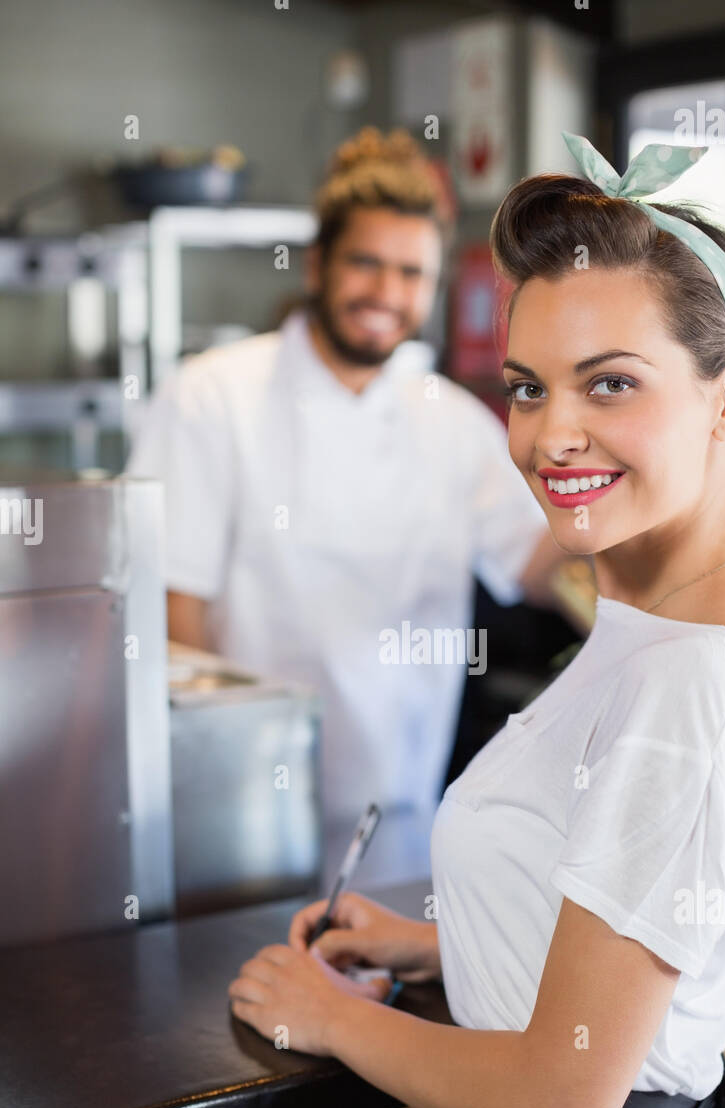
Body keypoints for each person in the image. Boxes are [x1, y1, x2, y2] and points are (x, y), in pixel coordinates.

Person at [227, 134, 725, 1108]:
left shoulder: (691, 679)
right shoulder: (648, 629)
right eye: (528, 387)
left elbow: (563, 1098)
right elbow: (630, 968)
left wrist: (329, 1021)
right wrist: (436, 944)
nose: (549, 436)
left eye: (610, 383)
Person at [125, 127, 570, 820]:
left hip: (403, 802)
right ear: (317, 266)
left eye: (412, 274)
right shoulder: (212, 396)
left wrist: (630, 501)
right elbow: (173, 618)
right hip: (239, 808)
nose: (387, 293)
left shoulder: (451, 422)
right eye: (366, 263)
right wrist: (210, 792)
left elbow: (542, 565)